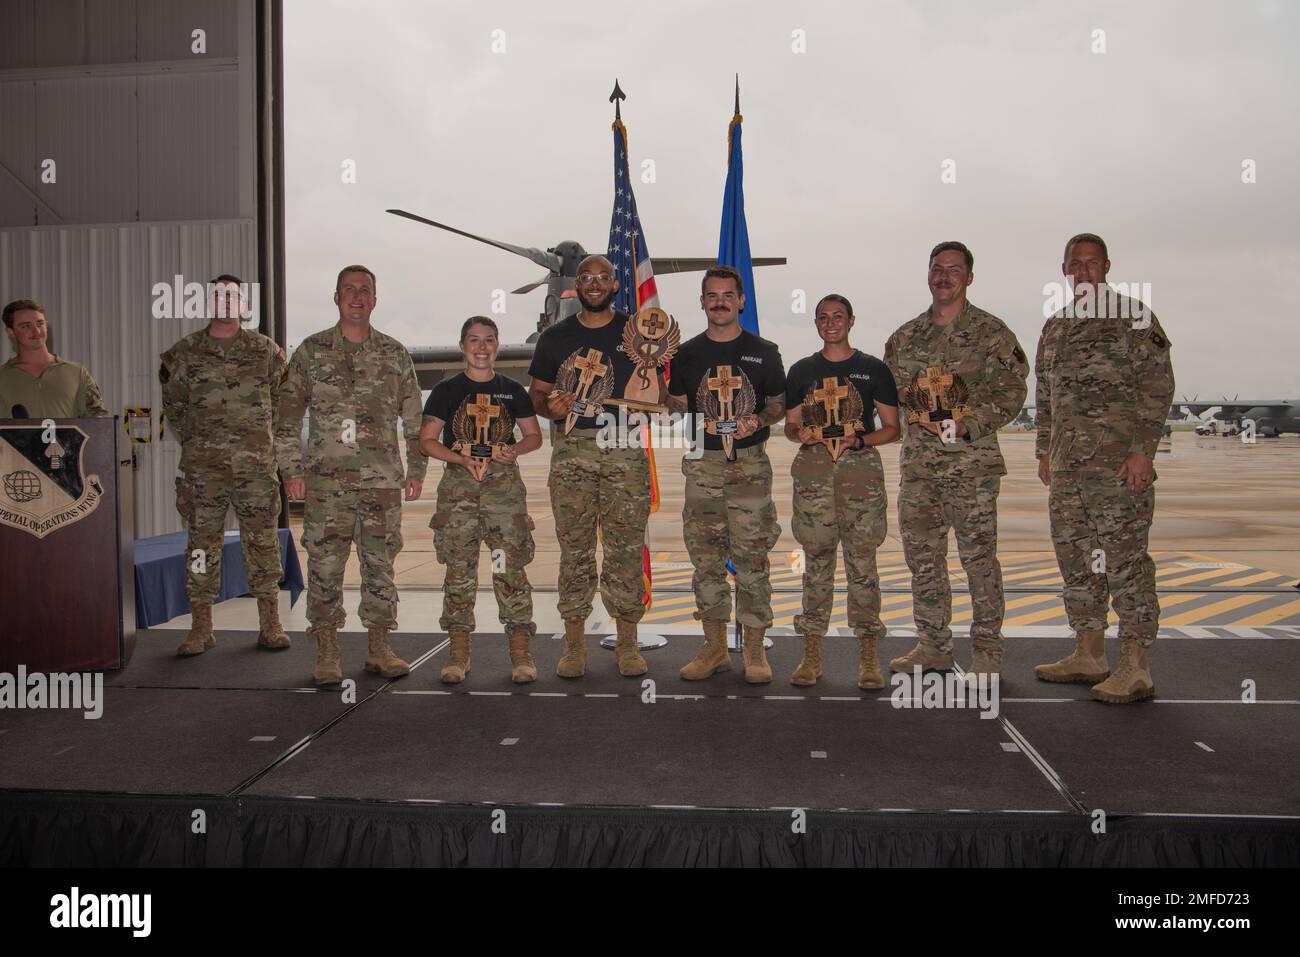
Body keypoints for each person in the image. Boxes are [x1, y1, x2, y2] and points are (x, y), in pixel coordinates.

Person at [1033, 233, 1174, 703]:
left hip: (1117, 468)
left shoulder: (1134, 317)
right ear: (1065, 269)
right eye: (1077, 263)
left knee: (1126, 564)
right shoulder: (1056, 327)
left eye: (1093, 263)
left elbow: (1157, 387)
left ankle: (1136, 666)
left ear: (1107, 266)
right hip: (1069, 469)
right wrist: (1044, 450)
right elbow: (1046, 397)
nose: (1084, 270)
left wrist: (1143, 451)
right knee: (1076, 561)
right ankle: (1089, 653)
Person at [275, 265, 427, 687]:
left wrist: (416, 469)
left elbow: (414, 417)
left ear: (375, 299)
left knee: (380, 567)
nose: (357, 297)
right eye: (349, 290)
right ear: (336, 296)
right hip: (327, 485)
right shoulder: (311, 351)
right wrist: (291, 471)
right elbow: (286, 418)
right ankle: (326, 651)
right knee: (325, 567)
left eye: (365, 290)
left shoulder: (395, 354)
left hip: (382, 483)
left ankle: (379, 647)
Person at [884, 242, 1029, 680]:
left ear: (969, 276)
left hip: (972, 467)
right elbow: (889, 396)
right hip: (921, 470)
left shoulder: (992, 333)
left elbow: (1013, 393)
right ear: (927, 275)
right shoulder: (903, 338)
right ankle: (933, 646)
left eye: (953, 269)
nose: (943, 276)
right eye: (936, 269)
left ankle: (986, 652)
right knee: (924, 561)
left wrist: (969, 423)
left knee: (979, 561)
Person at [527, 254, 653, 678]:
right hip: (573, 451)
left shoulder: (637, 333)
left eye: (602, 278)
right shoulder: (555, 339)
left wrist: (651, 385)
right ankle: (575, 643)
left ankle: (628, 643)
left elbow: (657, 394)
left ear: (615, 285)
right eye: (586, 278)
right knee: (575, 550)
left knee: (624, 550)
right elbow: (537, 397)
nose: (594, 284)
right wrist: (552, 407)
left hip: (624, 448)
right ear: (577, 286)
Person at [667, 265, 786, 684]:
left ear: (741, 300)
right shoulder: (686, 354)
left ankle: (754, 650)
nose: (720, 301)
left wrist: (757, 419)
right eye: (712, 295)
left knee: (752, 559)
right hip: (702, 466)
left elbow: (778, 404)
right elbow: (678, 404)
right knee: (706, 561)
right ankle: (715, 647)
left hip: (750, 468)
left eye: (727, 295)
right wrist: (653, 390)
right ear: (702, 301)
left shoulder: (764, 351)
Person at [160, 276, 290, 655]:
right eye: (218, 295)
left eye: (233, 296)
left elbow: (281, 405)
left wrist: (257, 442)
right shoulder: (183, 353)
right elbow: (176, 409)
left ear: (243, 302)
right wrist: (203, 444)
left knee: (263, 543)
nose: (226, 301)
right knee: (201, 547)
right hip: (204, 472)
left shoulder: (268, 352)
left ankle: (271, 624)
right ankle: (201, 628)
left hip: (255, 470)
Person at [783, 294, 900, 688]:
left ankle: (868, 657)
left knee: (862, 566)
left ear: (851, 320)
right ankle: (811, 654)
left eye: (837, 316)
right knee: (815, 564)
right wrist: (802, 434)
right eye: (822, 317)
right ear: (815, 323)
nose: (830, 323)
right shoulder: (801, 371)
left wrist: (860, 441)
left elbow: (891, 427)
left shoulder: (872, 370)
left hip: (859, 477)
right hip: (814, 475)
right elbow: (789, 427)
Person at [420, 316, 542, 684]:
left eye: (489, 340)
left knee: (510, 571)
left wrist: (514, 450)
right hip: (459, 496)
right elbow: (426, 440)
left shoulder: (511, 390)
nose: (482, 347)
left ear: (497, 346)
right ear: (462, 346)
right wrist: (458, 458)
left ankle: (520, 654)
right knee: (459, 572)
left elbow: (534, 436)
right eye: (474, 340)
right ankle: (458, 654)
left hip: (504, 497)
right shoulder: (446, 390)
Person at [1, 299, 109, 419]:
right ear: (11, 332)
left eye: (40, 323)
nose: (36, 331)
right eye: (26, 326)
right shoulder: (3, 376)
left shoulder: (77, 373)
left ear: (46, 325)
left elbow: (99, 424)